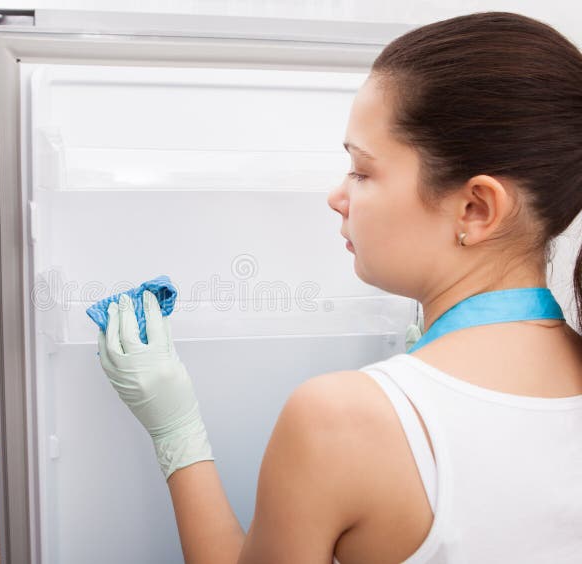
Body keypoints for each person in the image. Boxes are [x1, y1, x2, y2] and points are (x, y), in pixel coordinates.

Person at [96, 11, 582, 563]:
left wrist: (176, 433)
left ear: (475, 208)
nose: (337, 196)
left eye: (362, 171)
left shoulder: (339, 420)